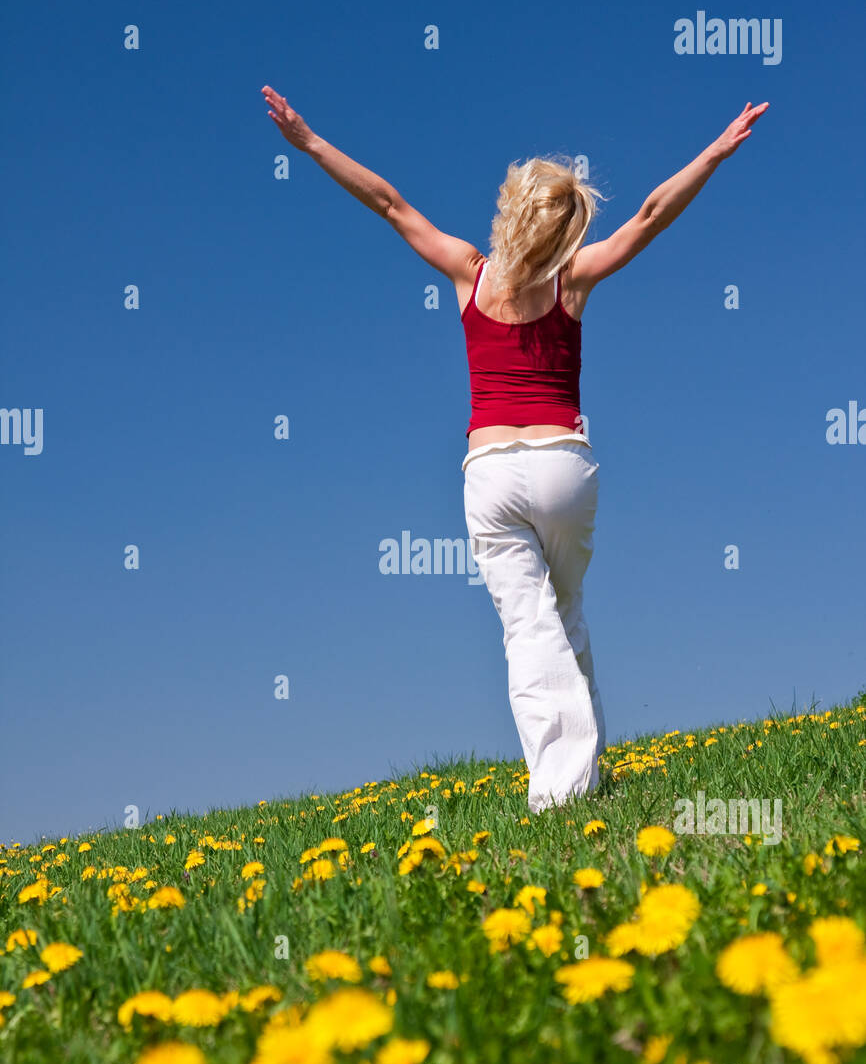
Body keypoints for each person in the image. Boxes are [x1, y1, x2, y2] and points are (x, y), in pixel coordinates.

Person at [262, 86, 769, 811]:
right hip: (565, 466)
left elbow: (388, 203)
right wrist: (716, 151)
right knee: (565, 615)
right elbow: (652, 215)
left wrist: (309, 144)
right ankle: (585, 775)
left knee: (531, 628)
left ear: (511, 207)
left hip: (494, 471)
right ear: (565, 225)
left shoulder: (471, 273)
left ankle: (562, 790)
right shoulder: (573, 279)